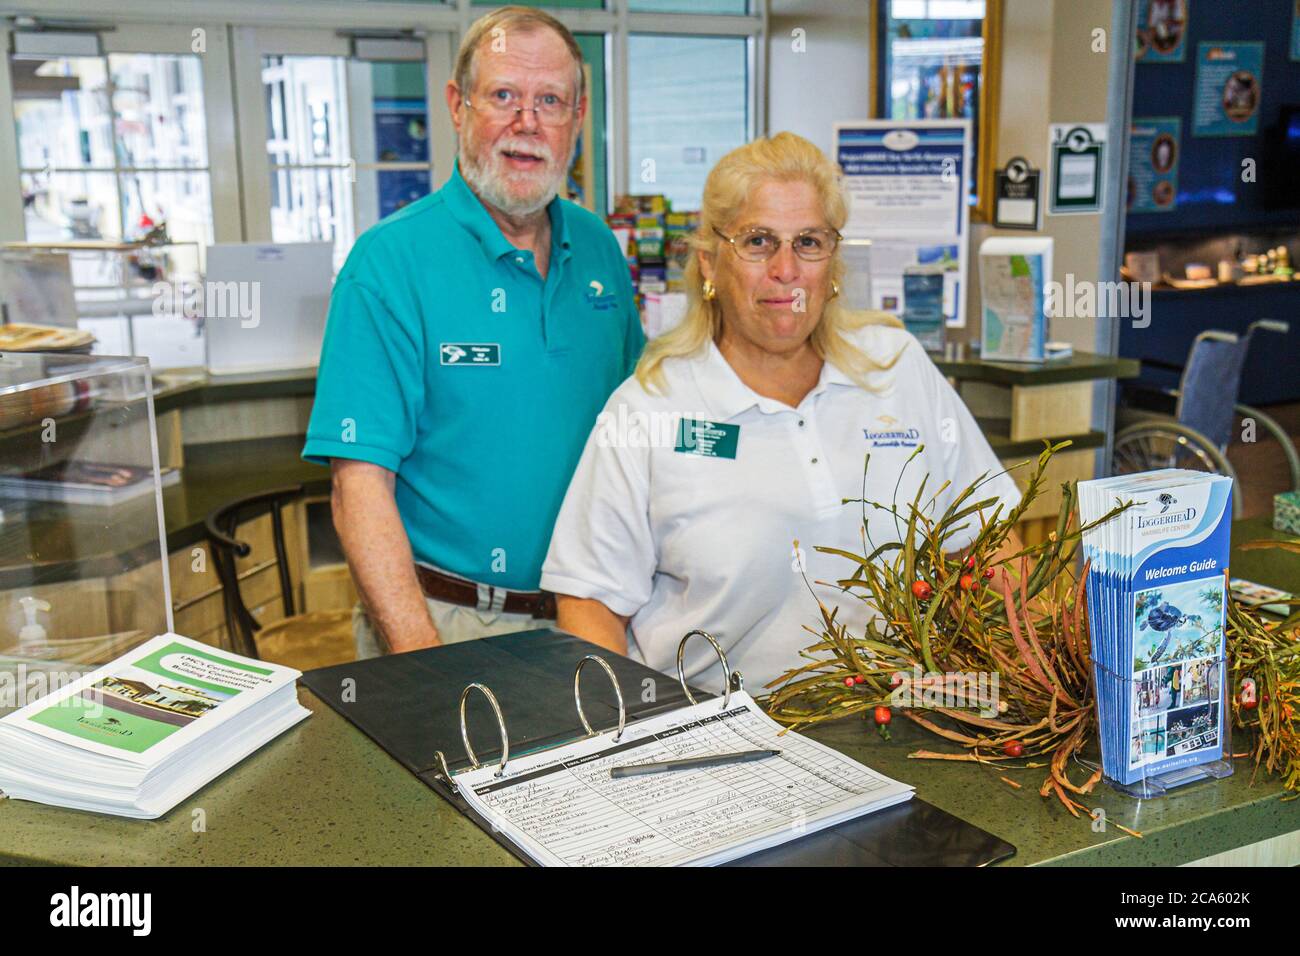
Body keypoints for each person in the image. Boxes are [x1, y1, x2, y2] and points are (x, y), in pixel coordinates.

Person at [541, 132, 1023, 691]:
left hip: (902, 721)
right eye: (759, 241)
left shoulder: (896, 368)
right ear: (709, 265)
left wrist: (1035, 672)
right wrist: (635, 738)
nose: (786, 270)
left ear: (833, 262)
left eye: (809, 242)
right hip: (715, 738)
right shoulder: (650, 408)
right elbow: (589, 603)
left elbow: (988, 542)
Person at [303, 7, 644, 657]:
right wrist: (420, 659)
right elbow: (358, 487)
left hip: (596, 619)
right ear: (458, 106)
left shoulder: (599, 250)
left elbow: (639, 426)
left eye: (550, 100)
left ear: (577, 118)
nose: (527, 124)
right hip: (450, 623)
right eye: (504, 96)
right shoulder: (389, 265)